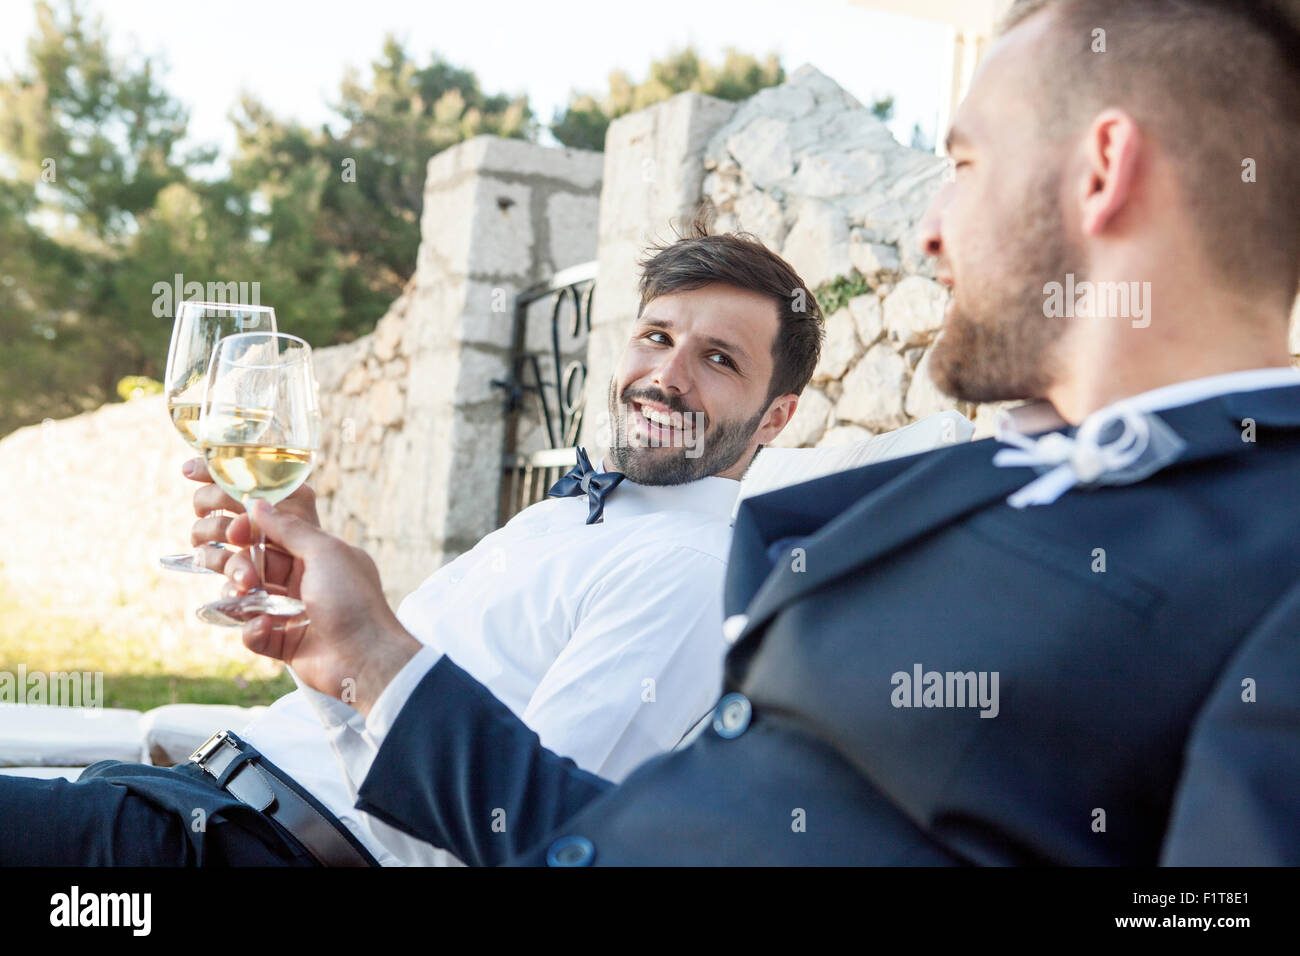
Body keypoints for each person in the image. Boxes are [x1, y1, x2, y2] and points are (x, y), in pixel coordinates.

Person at [231, 0, 1300, 865]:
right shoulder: (943, 490)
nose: (929, 228)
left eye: (966, 164)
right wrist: (364, 651)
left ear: (1100, 169)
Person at [0, 229, 823, 865]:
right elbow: (372, 723)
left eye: (718, 358)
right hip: (186, 801)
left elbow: (521, 833)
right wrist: (313, 629)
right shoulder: (576, 516)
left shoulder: (689, 569)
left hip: (238, 848)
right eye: (655, 336)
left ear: (777, 417)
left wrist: (360, 656)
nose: (667, 375)